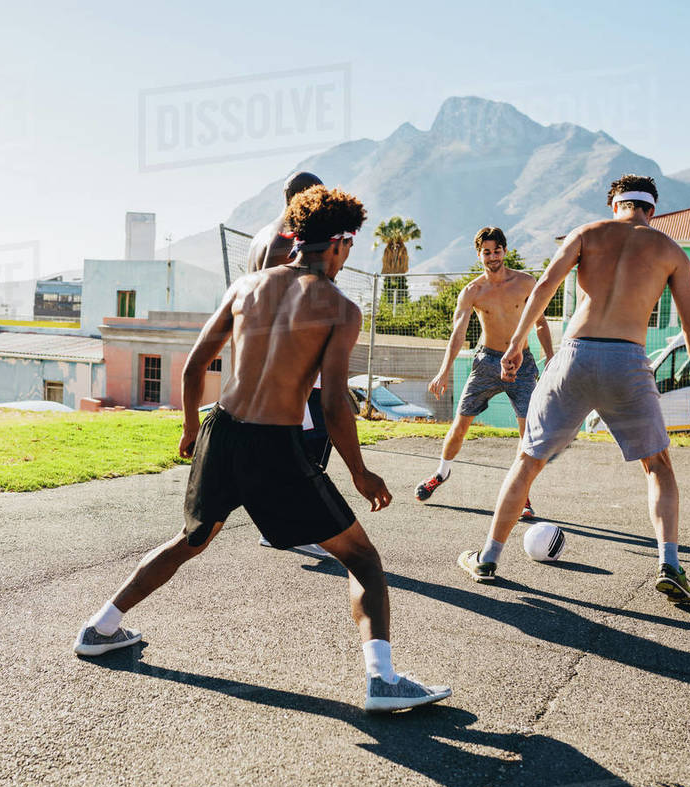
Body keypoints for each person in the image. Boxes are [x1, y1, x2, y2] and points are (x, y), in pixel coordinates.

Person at [74, 186, 451, 712]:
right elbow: (338, 403)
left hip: (221, 430)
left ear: (296, 237)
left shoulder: (246, 286)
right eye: (349, 249)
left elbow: (193, 366)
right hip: (274, 445)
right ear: (340, 244)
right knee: (363, 560)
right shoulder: (340, 308)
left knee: (191, 539)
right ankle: (382, 679)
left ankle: (100, 627)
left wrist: (189, 428)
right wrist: (361, 473)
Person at [457, 175, 690, 603]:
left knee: (528, 460)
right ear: (651, 209)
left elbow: (543, 288)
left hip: (574, 358)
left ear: (616, 206)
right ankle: (669, 564)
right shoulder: (670, 250)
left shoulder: (588, 233)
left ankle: (487, 558)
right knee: (659, 468)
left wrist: (516, 343)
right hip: (627, 361)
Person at [415, 227, 554, 520]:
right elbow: (458, 333)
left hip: (522, 363)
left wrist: (551, 358)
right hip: (486, 362)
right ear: (479, 255)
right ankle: (440, 473)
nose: (492, 257)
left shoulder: (526, 282)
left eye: (497, 250)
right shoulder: (473, 291)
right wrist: (443, 371)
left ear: (504, 250)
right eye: (486, 252)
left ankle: (523, 495)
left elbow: (540, 323)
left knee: (526, 431)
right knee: (460, 424)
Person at [248, 171, 334, 557]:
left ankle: (282, 525)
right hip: (287, 355)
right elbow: (273, 289)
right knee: (309, 441)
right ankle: (291, 527)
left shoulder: (262, 233)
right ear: (305, 196)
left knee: (297, 440)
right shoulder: (289, 232)